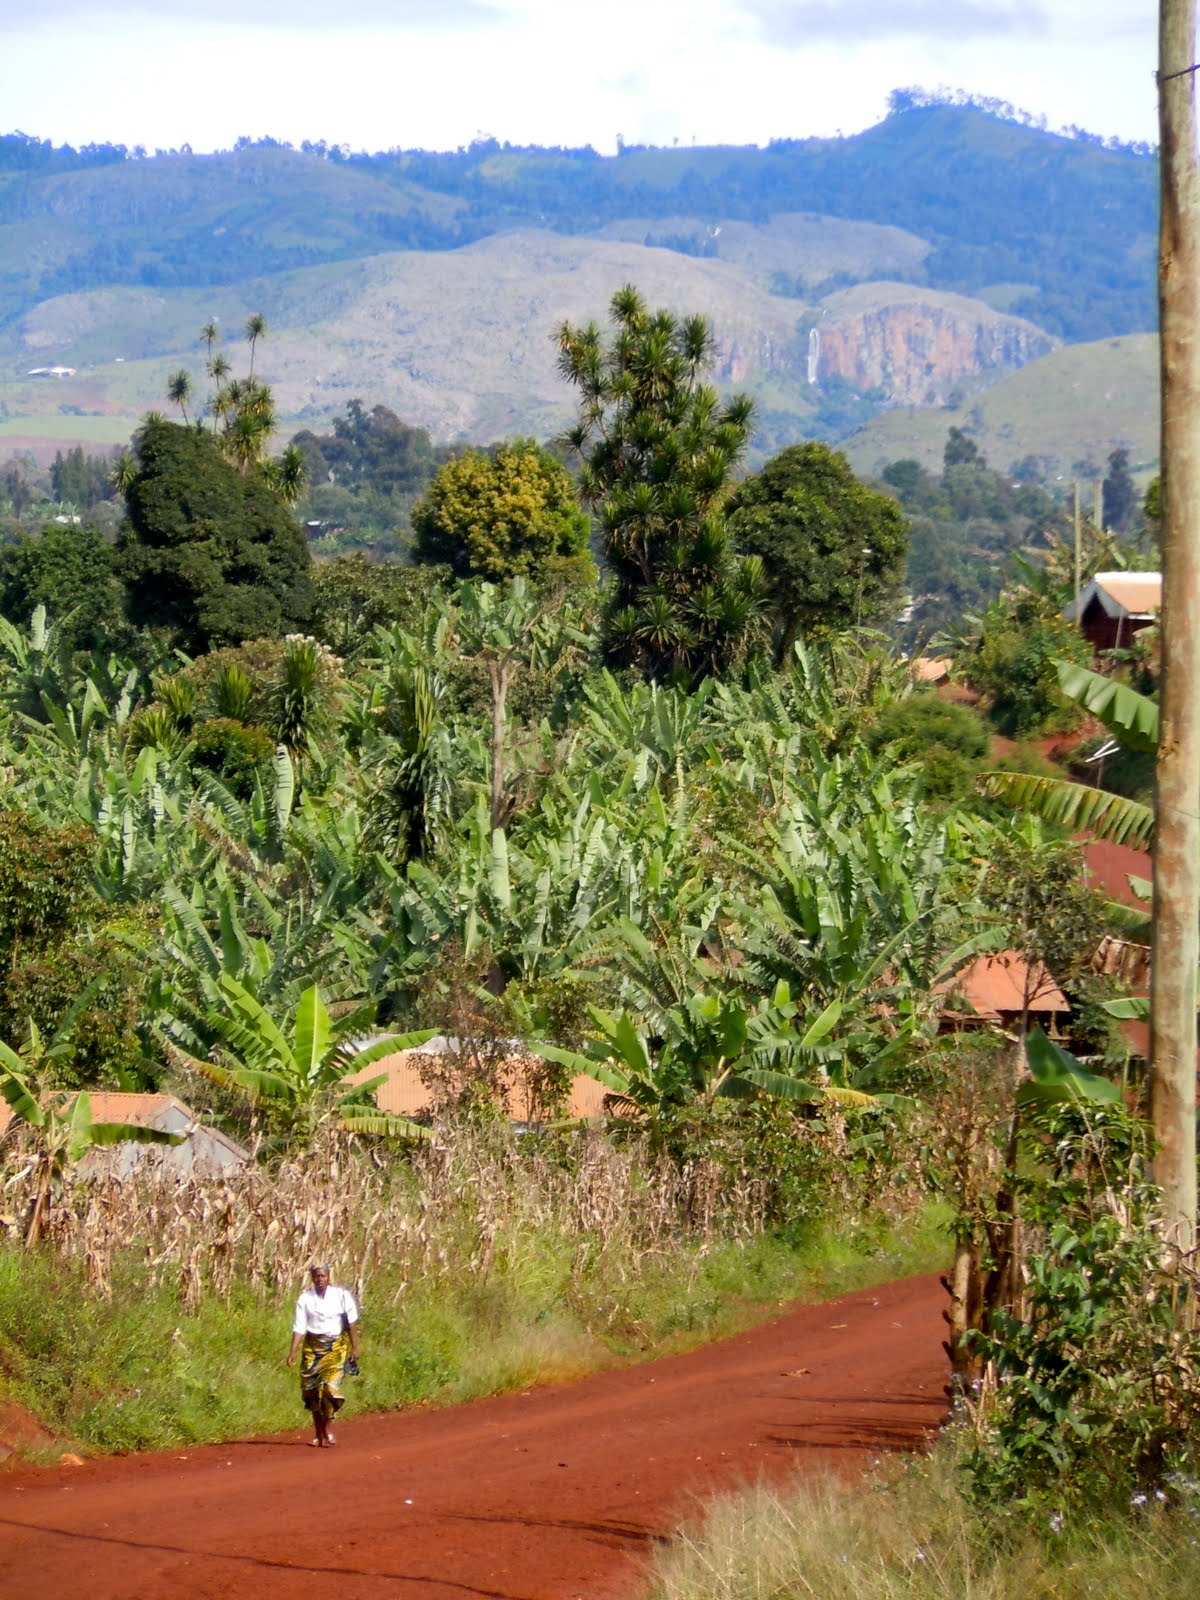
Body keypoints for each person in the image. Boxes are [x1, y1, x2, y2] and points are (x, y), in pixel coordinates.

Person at [287, 1263, 360, 1448]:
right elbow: (299, 1328)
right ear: (312, 1278)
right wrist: (293, 1352)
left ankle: (326, 1428)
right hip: (312, 1348)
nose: (320, 1279)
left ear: (328, 1277)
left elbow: (351, 1324)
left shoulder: (341, 1297)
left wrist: (354, 1348)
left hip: (335, 1347)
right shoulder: (305, 1299)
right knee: (312, 1392)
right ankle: (318, 1432)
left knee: (329, 1390)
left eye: (323, 1276)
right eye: (316, 1276)